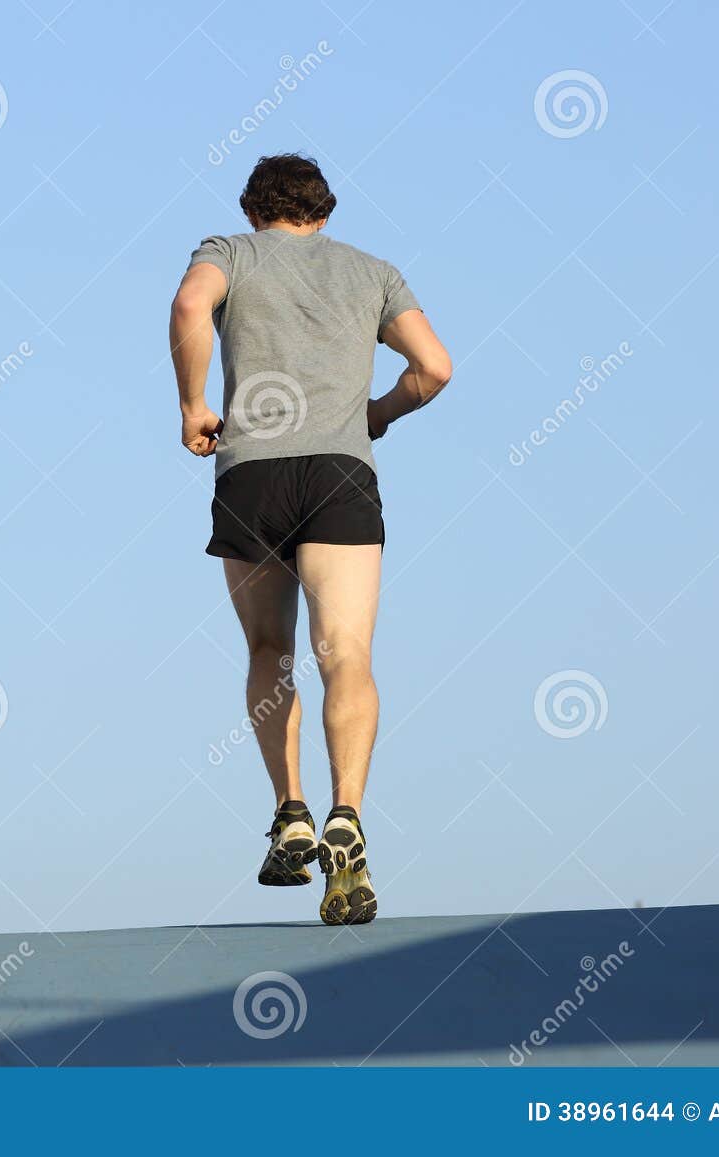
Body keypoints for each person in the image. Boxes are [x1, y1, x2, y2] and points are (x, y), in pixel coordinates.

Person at [169, 153, 453, 925]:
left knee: (270, 651)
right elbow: (434, 367)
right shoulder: (373, 272)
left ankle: (289, 809)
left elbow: (192, 307)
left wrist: (194, 403)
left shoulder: (226, 252)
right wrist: (377, 413)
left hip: (252, 472)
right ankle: (347, 815)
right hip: (337, 473)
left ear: (254, 210)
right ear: (323, 214)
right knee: (347, 656)